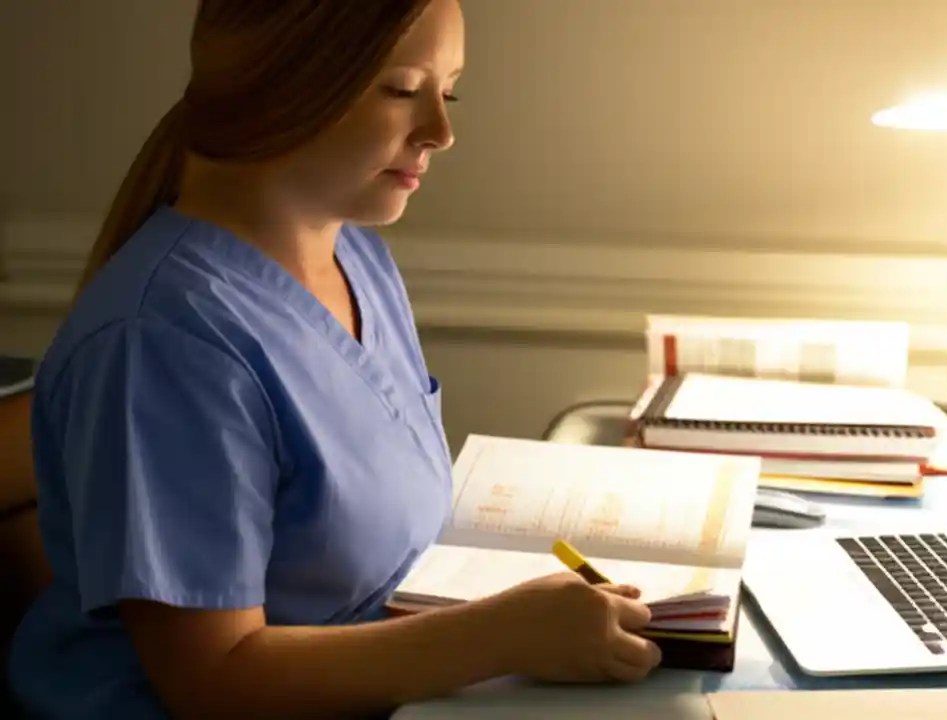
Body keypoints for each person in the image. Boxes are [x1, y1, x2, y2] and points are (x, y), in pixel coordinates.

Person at [8, 1, 662, 717]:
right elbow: (213, 680)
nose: (442, 132)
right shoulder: (166, 343)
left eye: (449, 92)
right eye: (402, 90)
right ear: (284, 82)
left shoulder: (355, 257)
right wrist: (499, 638)